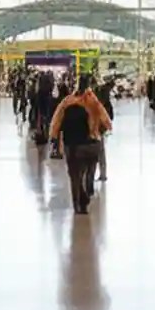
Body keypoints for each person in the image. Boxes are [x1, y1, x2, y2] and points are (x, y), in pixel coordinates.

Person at [50, 74, 112, 215]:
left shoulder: (68, 101)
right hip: (89, 141)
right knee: (89, 168)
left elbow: (56, 119)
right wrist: (102, 129)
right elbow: (105, 119)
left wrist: (54, 136)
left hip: (70, 143)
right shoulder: (92, 100)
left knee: (74, 175)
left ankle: (78, 202)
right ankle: (87, 189)